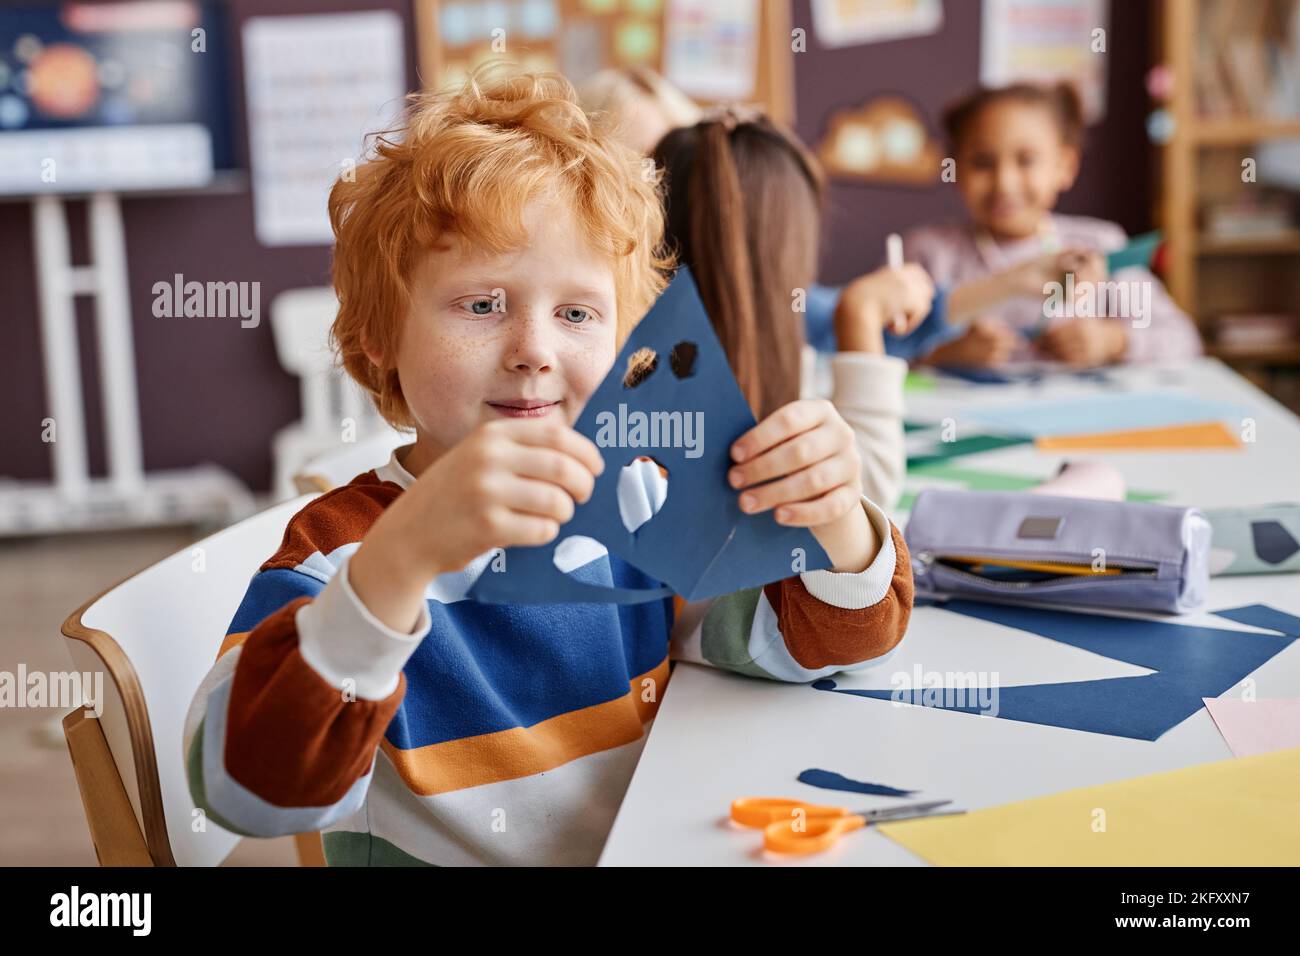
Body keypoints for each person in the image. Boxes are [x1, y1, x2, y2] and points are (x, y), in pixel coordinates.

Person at [182, 70, 914, 867]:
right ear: (377, 339)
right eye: (481, 304)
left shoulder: (635, 501)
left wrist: (837, 516)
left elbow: (817, 644)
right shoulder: (340, 558)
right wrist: (399, 562)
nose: (534, 350)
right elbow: (245, 791)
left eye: (576, 314)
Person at [905, 82, 1203, 368]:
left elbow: (1184, 342)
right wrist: (942, 355)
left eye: (1026, 160)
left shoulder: (1102, 246)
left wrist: (1113, 340)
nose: (1005, 184)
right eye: (982, 162)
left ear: (1065, 167)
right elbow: (873, 351)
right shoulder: (929, 254)